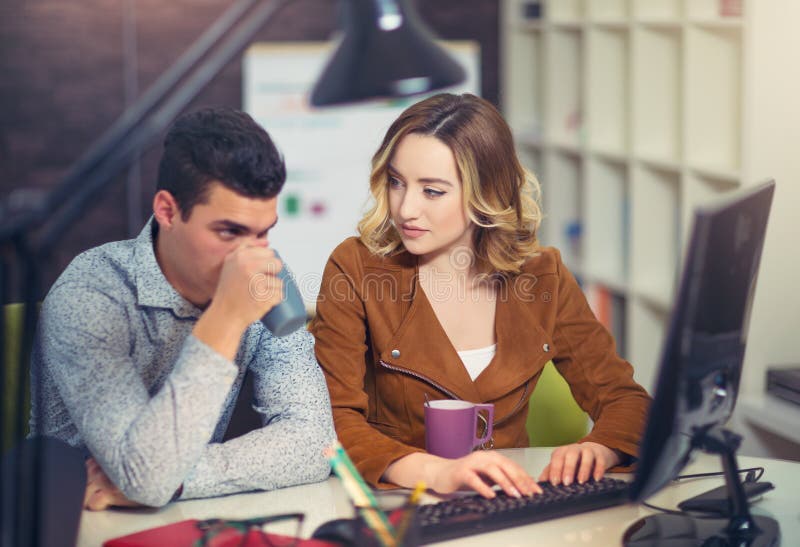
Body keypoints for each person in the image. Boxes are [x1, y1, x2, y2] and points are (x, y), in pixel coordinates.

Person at [309, 93, 652, 499]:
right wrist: (432, 473)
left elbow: (626, 400)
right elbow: (333, 420)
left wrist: (601, 450)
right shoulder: (355, 267)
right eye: (397, 182)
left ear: (486, 193)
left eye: (432, 191)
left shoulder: (543, 276)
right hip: (402, 505)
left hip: (513, 506)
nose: (405, 209)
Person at [29, 107, 335, 510]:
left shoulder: (265, 276)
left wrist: (184, 479)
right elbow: (148, 477)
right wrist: (226, 317)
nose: (251, 254)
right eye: (229, 231)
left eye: (263, 232)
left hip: (181, 512)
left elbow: (315, 442)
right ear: (168, 211)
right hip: (76, 517)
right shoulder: (90, 294)